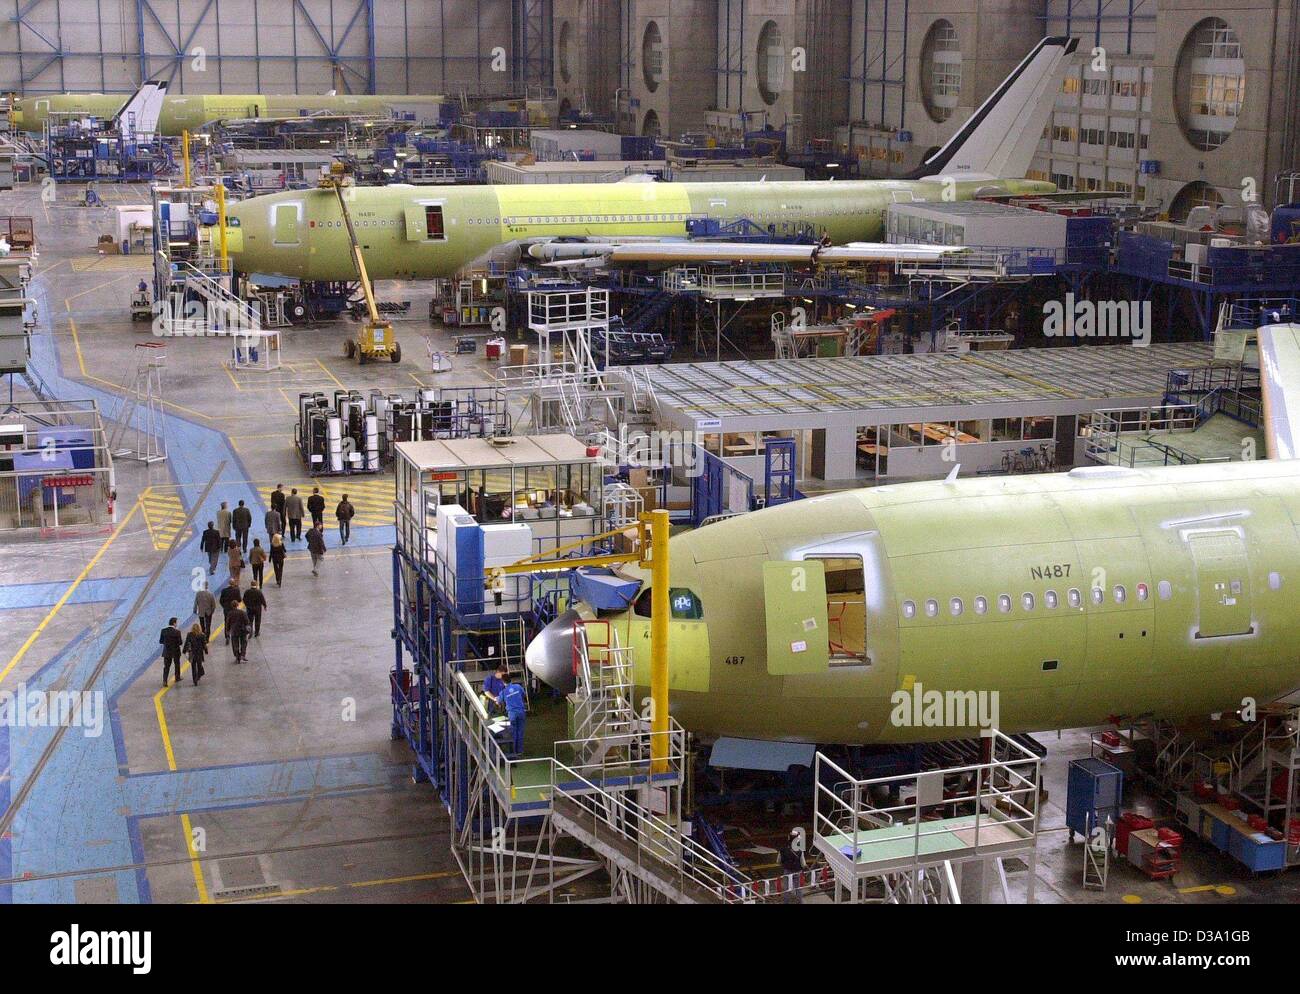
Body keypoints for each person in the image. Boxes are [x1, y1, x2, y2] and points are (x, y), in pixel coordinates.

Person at [500, 676, 527, 757]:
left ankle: (514, 752)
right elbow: (523, 695)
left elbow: (499, 701)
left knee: (513, 732)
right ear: (511, 680)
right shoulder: (518, 687)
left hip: (512, 714)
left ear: (503, 682)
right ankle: (520, 751)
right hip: (521, 712)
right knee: (520, 731)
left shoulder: (503, 692)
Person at [778, 829, 808, 904]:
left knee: (786, 889)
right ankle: (800, 902)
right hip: (798, 871)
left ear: (788, 838)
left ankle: (786, 902)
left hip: (787, 871)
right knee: (798, 888)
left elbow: (778, 861)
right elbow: (803, 864)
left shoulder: (783, 850)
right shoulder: (800, 850)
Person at [159, 617, 183, 687]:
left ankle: (165, 680)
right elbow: (180, 643)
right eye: (176, 623)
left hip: (167, 651)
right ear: (174, 623)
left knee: (166, 666)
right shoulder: (177, 632)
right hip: (175, 651)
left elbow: (161, 641)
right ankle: (177, 677)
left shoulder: (163, 631)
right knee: (177, 664)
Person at [218, 579, 241, 644]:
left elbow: (221, 601)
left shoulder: (224, 591)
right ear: (234, 583)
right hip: (234, 609)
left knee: (227, 622)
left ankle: (227, 636)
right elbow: (239, 600)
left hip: (226, 610)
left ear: (229, 583)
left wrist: (224, 606)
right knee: (235, 622)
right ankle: (234, 635)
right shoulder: (237, 590)